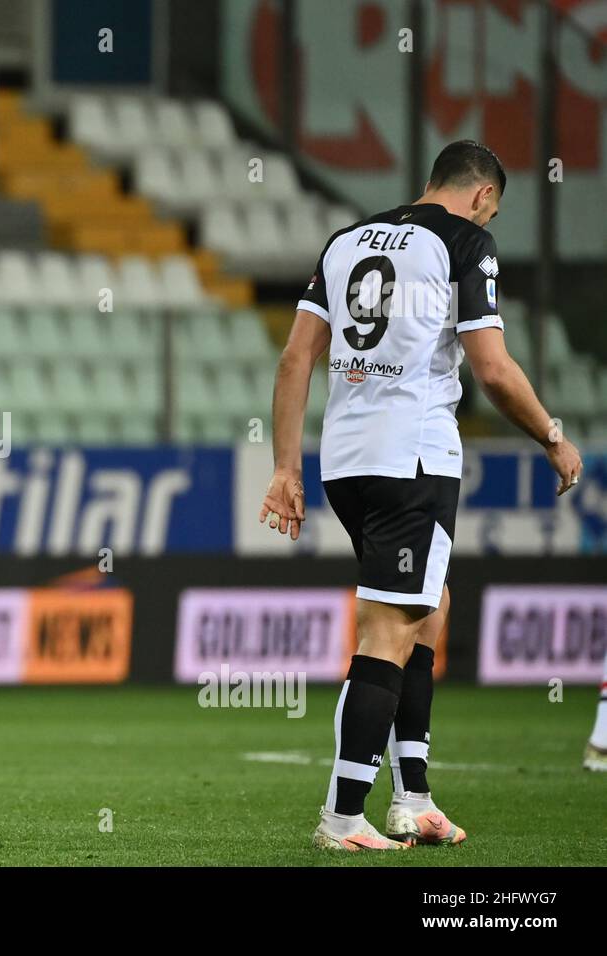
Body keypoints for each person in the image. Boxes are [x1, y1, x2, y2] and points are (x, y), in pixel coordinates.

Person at [260, 140, 583, 850]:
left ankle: (414, 797)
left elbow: (295, 358)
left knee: (430, 608)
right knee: (389, 631)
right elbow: (492, 370)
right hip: (411, 457)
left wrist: (286, 467)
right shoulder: (467, 241)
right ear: (482, 196)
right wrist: (551, 434)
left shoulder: (347, 240)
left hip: (346, 461)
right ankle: (343, 816)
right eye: (493, 203)